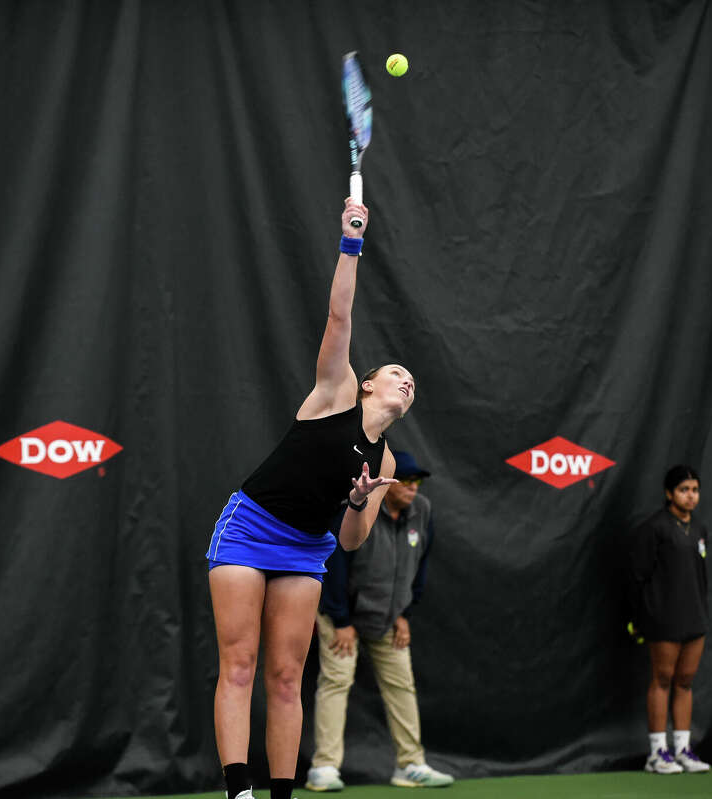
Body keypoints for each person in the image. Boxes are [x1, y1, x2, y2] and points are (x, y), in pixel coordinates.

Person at [205, 197, 416, 799]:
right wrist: (351, 243)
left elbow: (352, 540)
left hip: (307, 548)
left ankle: (278, 796)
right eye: (398, 373)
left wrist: (357, 500)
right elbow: (339, 316)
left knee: (286, 676)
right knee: (240, 664)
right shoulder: (337, 390)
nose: (407, 382)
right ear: (370, 381)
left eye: (414, 384)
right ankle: (238, 792)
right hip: (250, 528)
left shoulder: (388, 462)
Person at [305, 450, 454, 792]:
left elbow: (420, 565)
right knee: (337, 681)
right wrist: (341, 620)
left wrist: (404, 613)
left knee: (402, 685)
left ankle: (411, 765)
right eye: (407, 481)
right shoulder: (356, 512)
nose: (414, 488)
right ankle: (324, 768)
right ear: (386, 484)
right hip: (341, 615)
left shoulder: (423, 512)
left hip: (387, 618)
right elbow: (333, 566)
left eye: (417, 482)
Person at [626, 465, 712, 775]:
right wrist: (638, 617)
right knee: (662, 680)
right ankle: (656, 754)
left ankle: (682, 750)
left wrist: (701, 609)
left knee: (685, 682)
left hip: (695, 618)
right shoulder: (654, 529)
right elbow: (638, 576)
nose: (691, 496)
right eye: (684, 490)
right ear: (669, 493)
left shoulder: (700, 529)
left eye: (695, 490)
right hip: (663, 618)